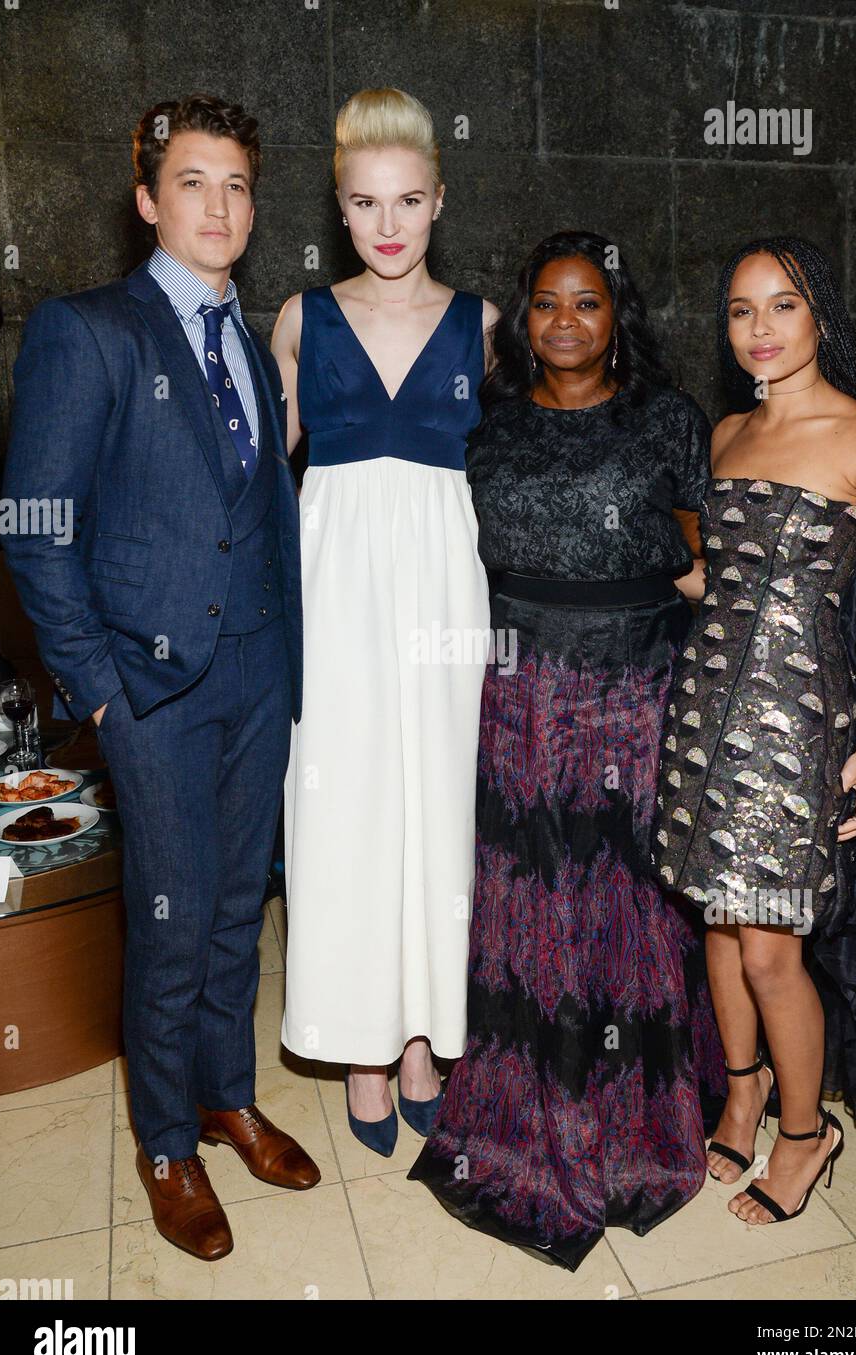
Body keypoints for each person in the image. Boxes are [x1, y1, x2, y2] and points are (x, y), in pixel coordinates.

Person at [0, 93, 320, 1262]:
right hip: (148, 687)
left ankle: (226, 1094)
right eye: (193, 181)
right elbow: (35, 524)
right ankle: (166, 1141)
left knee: (240, 907)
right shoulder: (88, 330)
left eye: (236, 184)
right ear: (146, 198)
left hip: (255, 675)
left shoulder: (248, 332)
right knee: (173, 920)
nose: (218, 206)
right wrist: (95, 688)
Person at [406, 231, 727, 1270]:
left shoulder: (669, 419)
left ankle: (638, 1118)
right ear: (522, 318)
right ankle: (528, 1107)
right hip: (516, 689)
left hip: (637, 684)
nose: (563, 323)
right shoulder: (484, 426)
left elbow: (705, 557)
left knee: (630, 898)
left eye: (585, 304)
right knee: (530, 896)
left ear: (615, 315)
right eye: (544, 304)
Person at [650, 235, 856, 1226]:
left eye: (780, 305)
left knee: (771, 945)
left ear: (819, 316)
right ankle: (744, 1087)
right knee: (719, 923)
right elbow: (711, 583)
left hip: (798, 727)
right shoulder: (724, 434)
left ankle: (807, 1135)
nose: (758, 329)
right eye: (738, 310)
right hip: (703, 711)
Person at [271, 88, 498, 1155]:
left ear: (439, 197)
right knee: (343, 809)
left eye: (408, 198)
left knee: (437, 804)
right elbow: (261, 476)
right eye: (365, 203)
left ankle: (423, 1034)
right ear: (340, 208)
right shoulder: (299, 318)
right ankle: (365, 1044)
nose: (389, 223)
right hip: (334, 585)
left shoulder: (484, 325)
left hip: (445, 590)